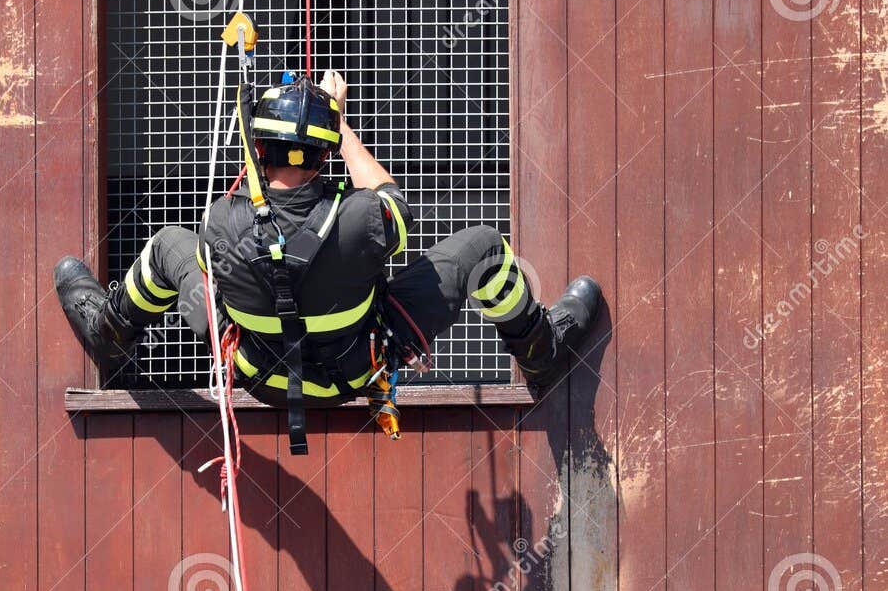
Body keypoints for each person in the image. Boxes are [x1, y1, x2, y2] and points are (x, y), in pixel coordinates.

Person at [54, 69, 600, 450]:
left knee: (168, 246)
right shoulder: (362, 218)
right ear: (323, 151)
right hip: (358, 370)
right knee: (483, 245)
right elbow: (394, 200)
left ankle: (112, 330)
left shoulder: (220, 221)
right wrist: (338, 126)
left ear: (258, 151)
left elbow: (247, 207)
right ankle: (539, 348)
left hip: (259, 377)